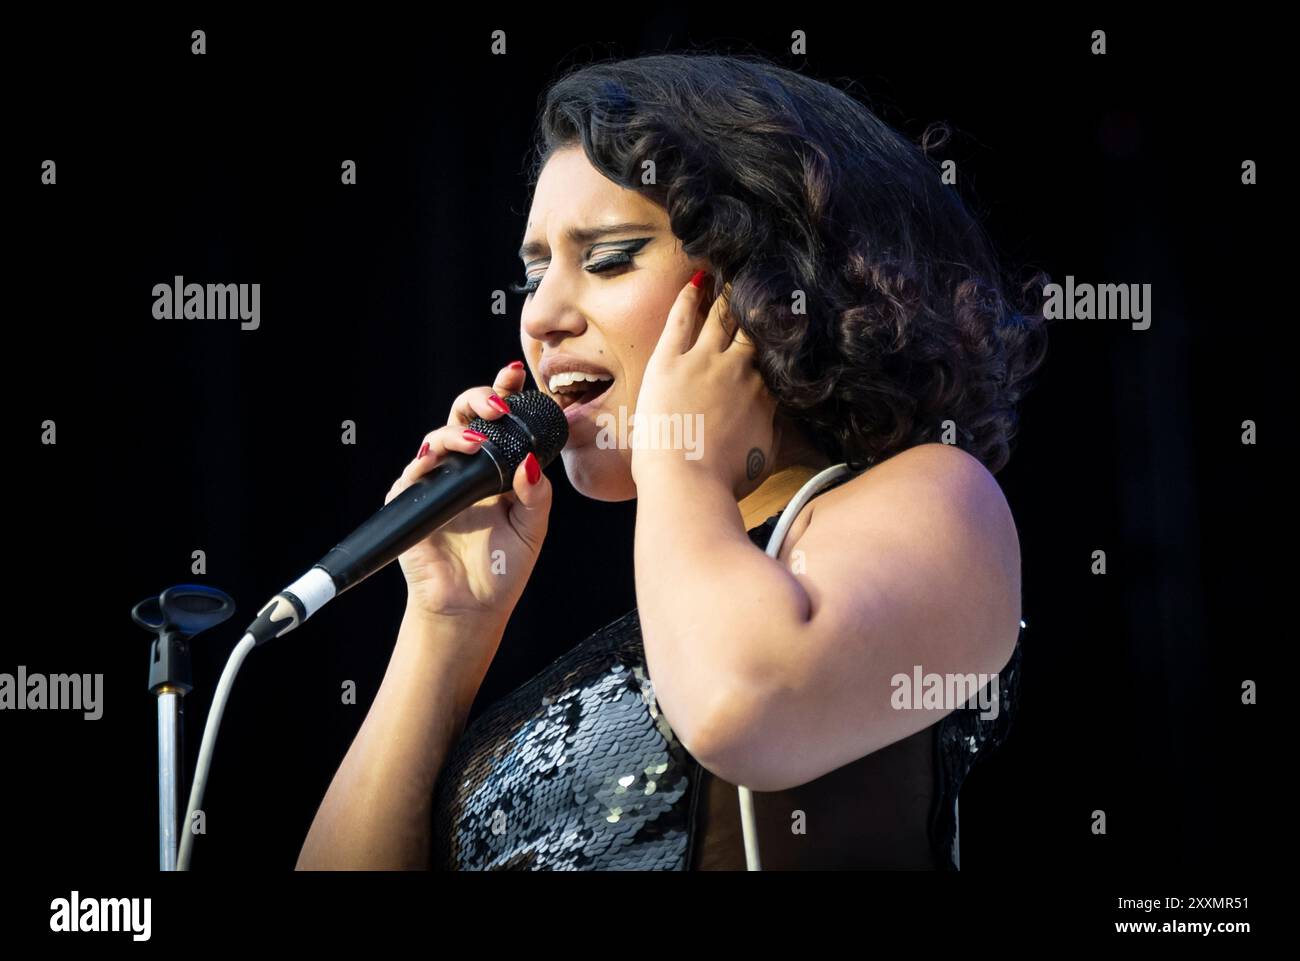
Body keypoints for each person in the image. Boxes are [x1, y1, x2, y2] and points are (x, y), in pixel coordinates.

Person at [296, 51, 1047, 871]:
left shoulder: (935, 497)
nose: (541, 315)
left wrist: (681, 464)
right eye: (534, 271)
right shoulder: (680, 583)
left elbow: (743, 710)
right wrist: (447, 622)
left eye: (610, 257)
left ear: (759, 282)